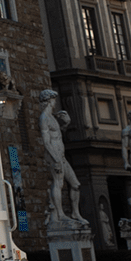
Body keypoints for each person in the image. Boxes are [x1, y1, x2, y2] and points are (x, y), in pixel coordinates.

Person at [39, 90, 87, 225]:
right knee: (58, 183)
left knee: (75, 184)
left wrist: (66, 122)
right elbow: (46, 141)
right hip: (53, 156)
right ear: (49, 101)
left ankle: (75, 213)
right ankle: (60, 214)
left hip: (61, 156)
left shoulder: (52, 117)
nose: (55, 102)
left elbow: (59, 135)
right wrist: (55, 159)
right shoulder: (44, 118)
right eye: (54, 100)